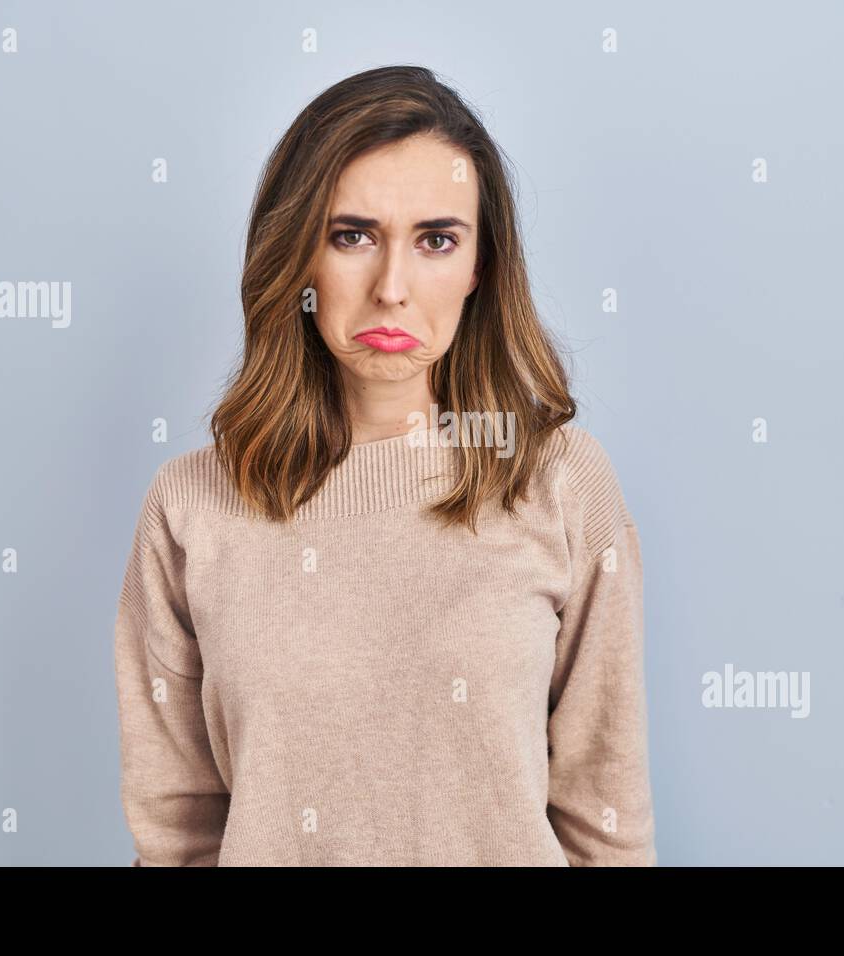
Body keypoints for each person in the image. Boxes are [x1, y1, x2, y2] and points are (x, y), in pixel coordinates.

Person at [114, 64, 656, 866]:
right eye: (352, 236)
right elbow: (176, 836)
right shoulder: (190, 507)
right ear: (297, 256)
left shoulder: (559, 479)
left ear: (480, 268)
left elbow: (606, 827)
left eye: (437, 240)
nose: (392, 288)